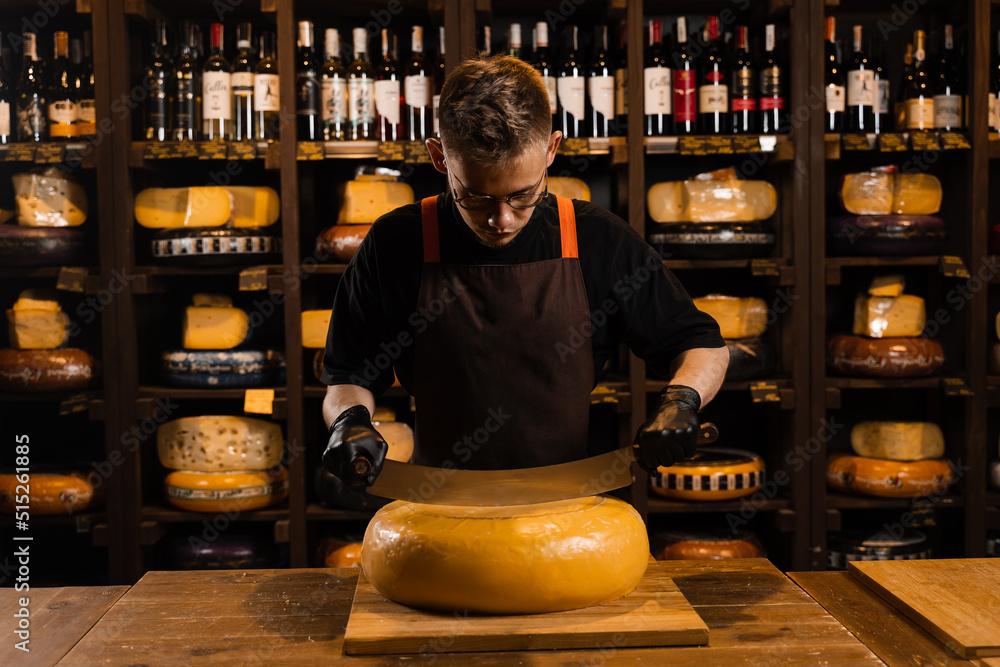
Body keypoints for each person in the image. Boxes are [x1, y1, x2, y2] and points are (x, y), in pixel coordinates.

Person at [320, 55, 728, 488]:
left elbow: (700, 343)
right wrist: (348, 419)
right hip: (438, 505)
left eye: (523, 195)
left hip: (567, 508)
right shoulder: (395, 243)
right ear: (440, 157)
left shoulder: (597, 238)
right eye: (475, 197)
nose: (503, 219)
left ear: (551, 150)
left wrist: (681, 400)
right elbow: (349, 374)